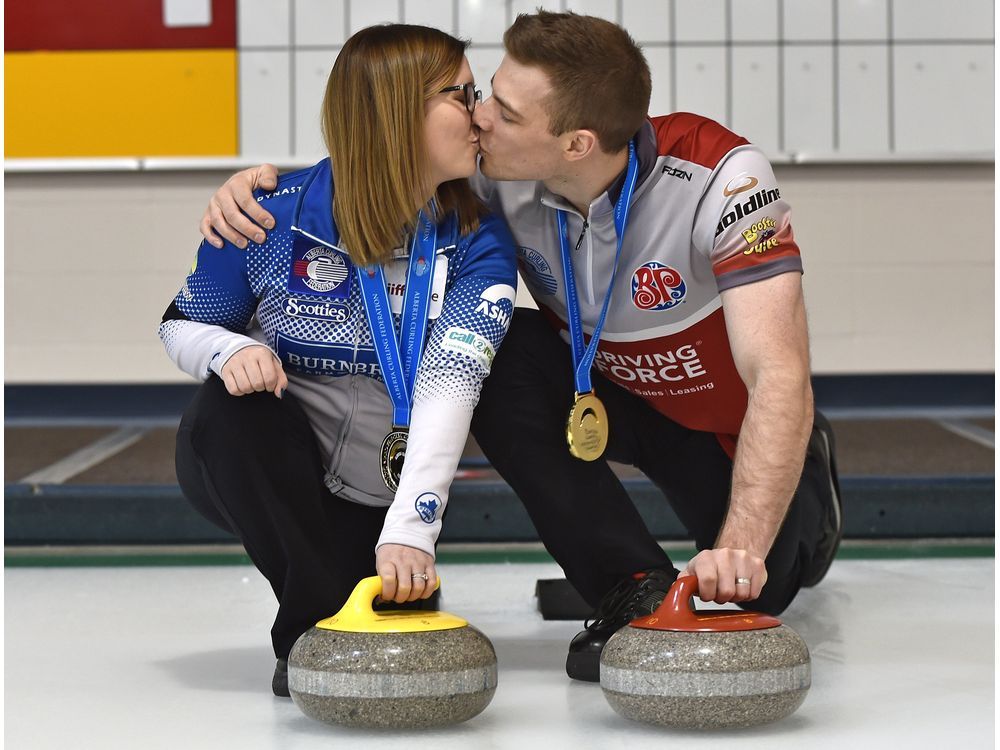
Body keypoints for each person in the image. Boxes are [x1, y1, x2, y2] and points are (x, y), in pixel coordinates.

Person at [197, 10, 843, 684]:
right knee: (500, 355)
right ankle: (631, 582)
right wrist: (251, 196)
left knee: (760, 588)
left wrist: (741, 545)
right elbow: (367, 180)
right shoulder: (488, 176)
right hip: (600, 392)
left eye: (502, 110)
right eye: (481, 96)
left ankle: (811, 472)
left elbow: (779, 375)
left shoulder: (725, 180)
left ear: (575, 145)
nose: (478, 118)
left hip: (719, 427)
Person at [161, 24, 518, 696]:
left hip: (394, 489)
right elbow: (180, 324)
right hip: (280, 476)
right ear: (395, 111)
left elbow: (452, 382)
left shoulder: (476, 234)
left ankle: (358, 584)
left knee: (389, 596)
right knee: (226, 411)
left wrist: (411, 527)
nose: (479, 114)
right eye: (460, 94)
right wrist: (228, 348)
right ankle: (308, 639)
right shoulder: (268, 216)